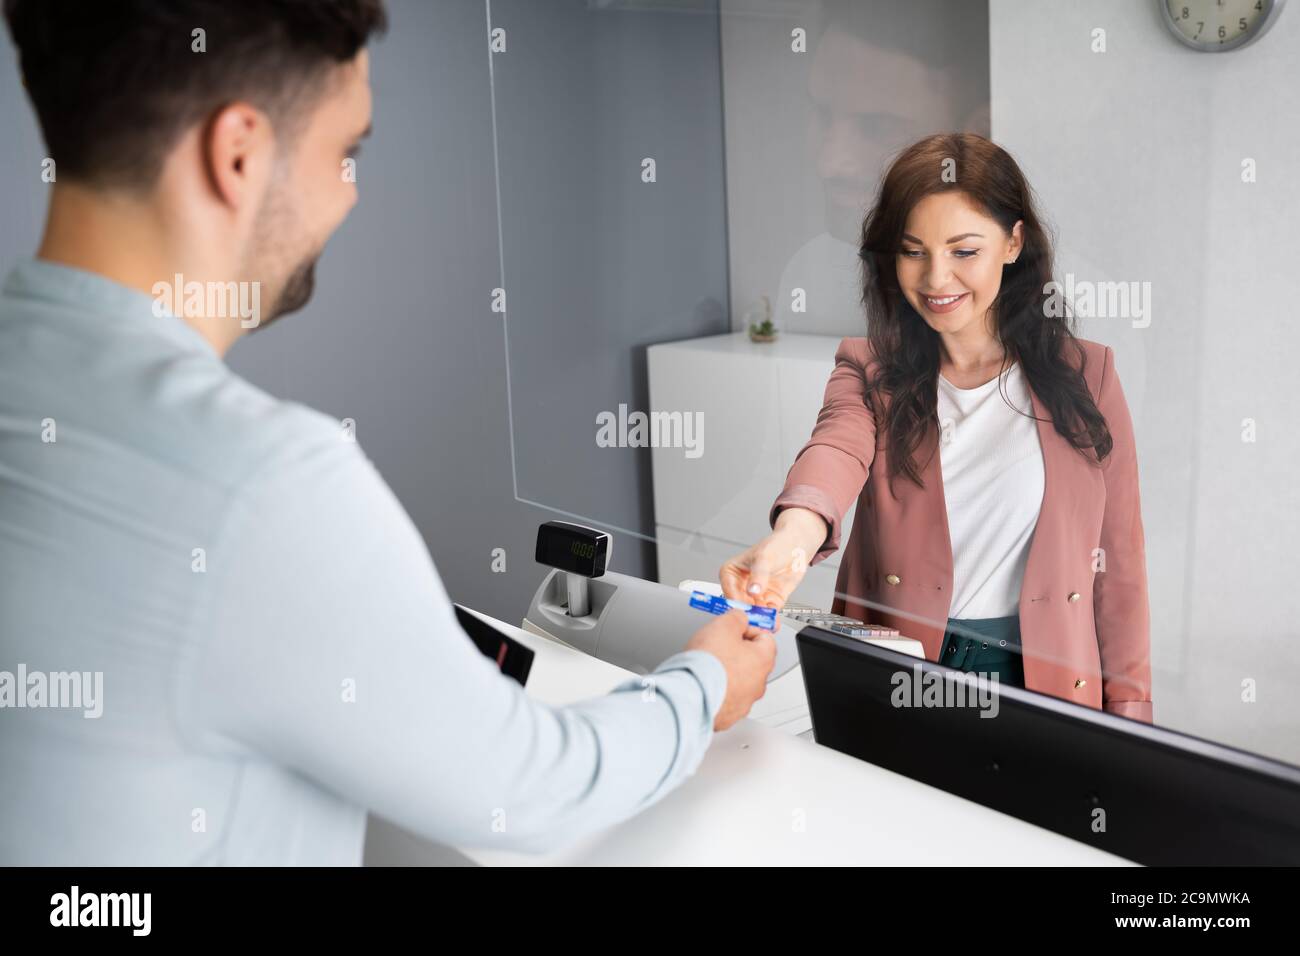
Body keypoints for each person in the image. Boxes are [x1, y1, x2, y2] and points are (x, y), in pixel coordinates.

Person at [0, 0, 775, 865]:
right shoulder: (261, 485)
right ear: (241, 155)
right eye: (346, 152)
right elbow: (532, 792)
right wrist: (705, 684)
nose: (349, 192)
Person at [722, 133, 1153, 723]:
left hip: (1039, 675)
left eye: (963, 251)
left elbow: (1119, 564)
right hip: (902, 664)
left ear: (1013, 242)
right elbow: (835, 449)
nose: (935, 278)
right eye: (913, 251)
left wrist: (1131, 718)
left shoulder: (1089, 375)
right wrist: (792, 540)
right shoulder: (869, 367)